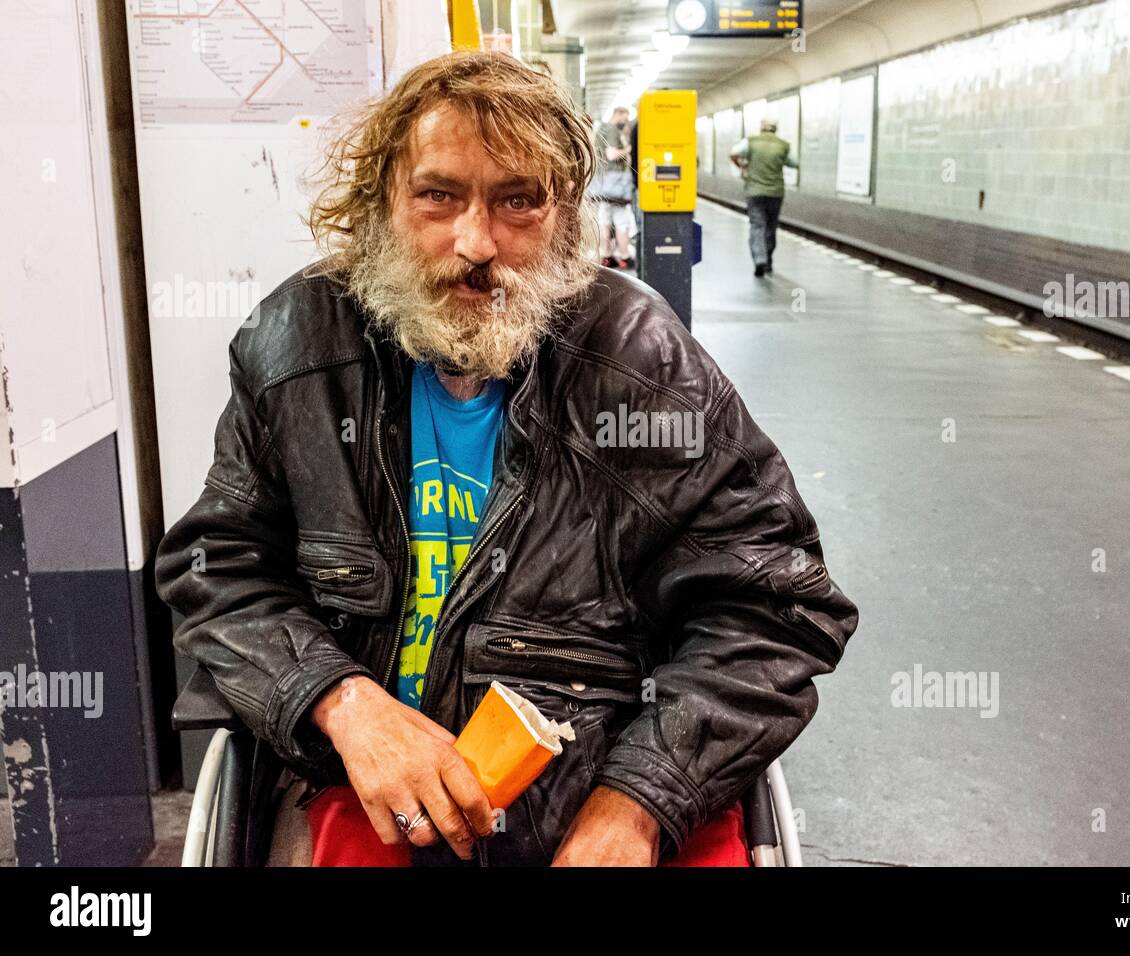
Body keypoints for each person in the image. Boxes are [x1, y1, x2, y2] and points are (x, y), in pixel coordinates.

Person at [154, 51, 856, 867]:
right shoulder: (299, 349)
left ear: (563, 215)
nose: (475, 241)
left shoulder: (640, 365)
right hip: (376, 791)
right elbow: (219, 568)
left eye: (517, 200)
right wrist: (345, 704)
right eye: (439, 194)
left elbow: (775, 608)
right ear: (386, 200)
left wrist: (639, 801)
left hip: (595, 778)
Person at [730, 118, 798, 277]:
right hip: (775, 192)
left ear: (761, 128)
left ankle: (760, 259)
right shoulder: (783, 145)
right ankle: (768, 259)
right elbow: (794, 163)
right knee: (771, 225)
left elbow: (733, 153)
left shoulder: (751, 142)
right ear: (775, 129)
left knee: (757, 225)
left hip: (754, 191)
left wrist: (742, 165)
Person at [592, 106, 637, 269]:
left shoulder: (602, 129)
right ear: (618, 115)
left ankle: (606, 256)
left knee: (604, 220)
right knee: (622, 220)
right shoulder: (611, 129)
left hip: (603, 185)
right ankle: (625, 257)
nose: (625, 122)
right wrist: (628, 150)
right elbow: (611, 154)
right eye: (624, 118)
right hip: (615, 185)